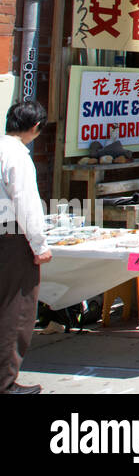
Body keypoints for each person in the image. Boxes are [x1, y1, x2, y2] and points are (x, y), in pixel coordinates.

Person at [0, 100, 50, 394]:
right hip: (11, 238)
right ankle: (5, 383)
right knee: (15, 310)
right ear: (35, 127)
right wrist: (39, 244)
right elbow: (26, 204)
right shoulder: (18, 155)